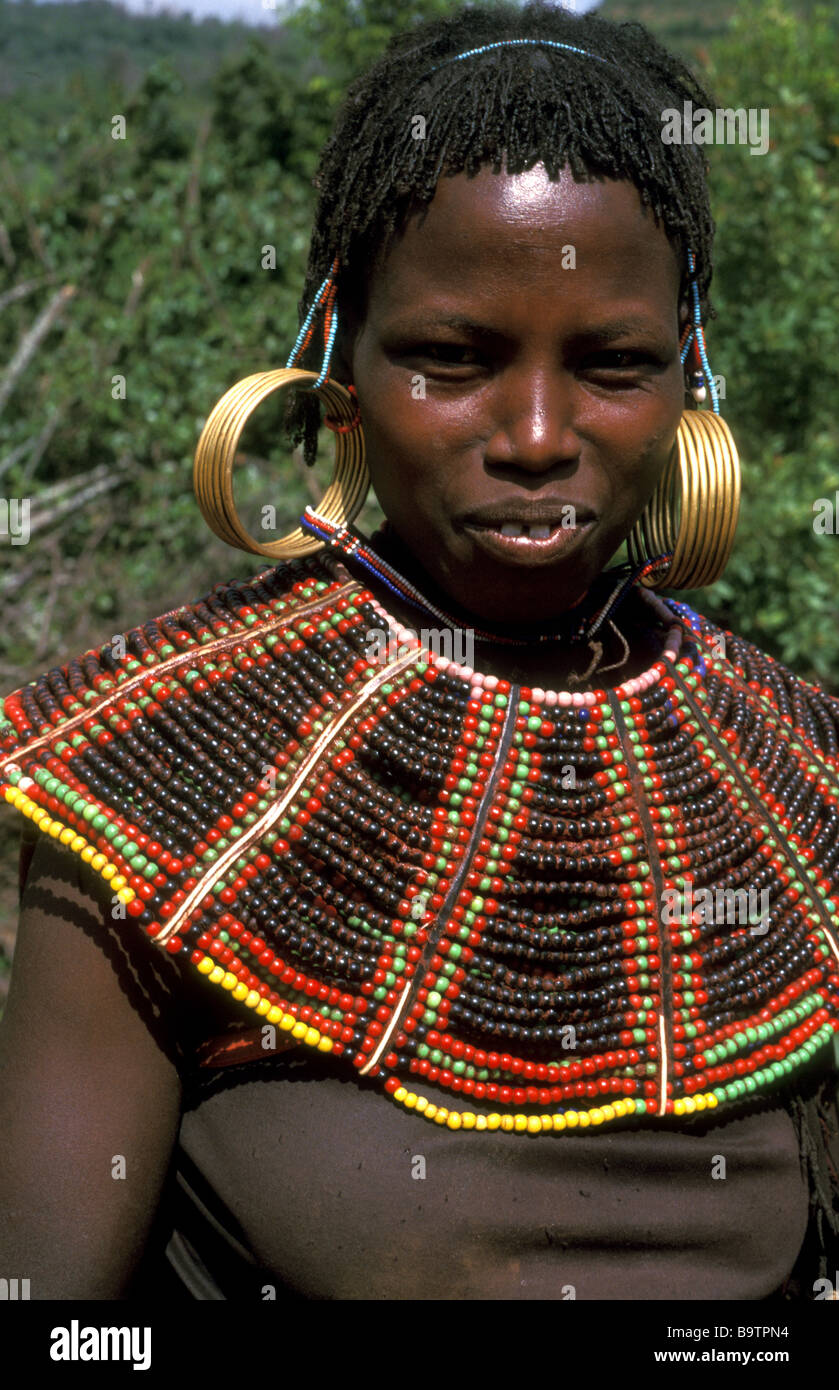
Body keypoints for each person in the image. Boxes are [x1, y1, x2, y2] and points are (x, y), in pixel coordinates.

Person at [1, 1, 838, 1302]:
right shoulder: (152, 782)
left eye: (615, 361)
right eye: (453, 356)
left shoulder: (807, 785)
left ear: (693, 375)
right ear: (339, 356)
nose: (538, 435)